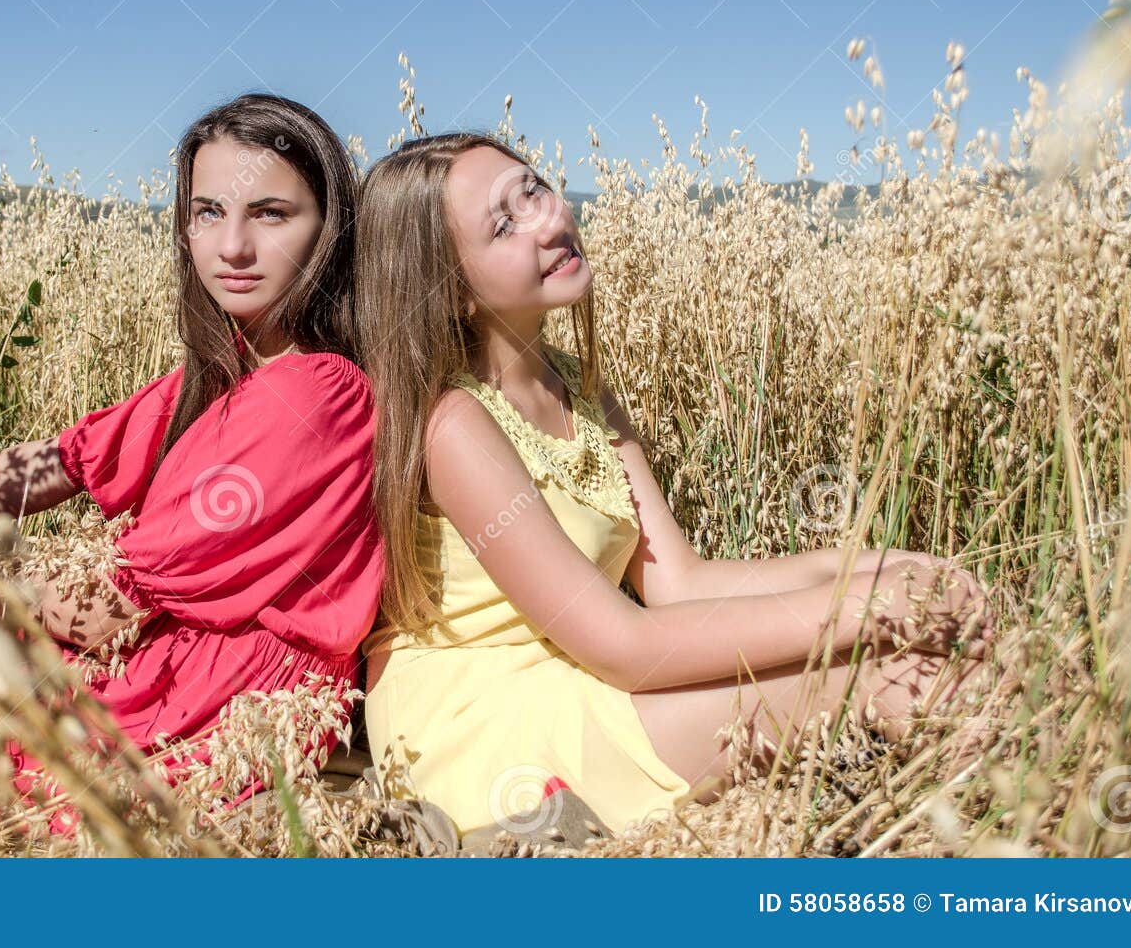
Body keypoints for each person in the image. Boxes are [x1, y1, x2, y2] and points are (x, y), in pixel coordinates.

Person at [353, 132, 995, 835]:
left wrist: (880, 570)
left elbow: (682, 581)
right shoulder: (456, 425)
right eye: (503, 225)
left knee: (923, 648)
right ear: (452, 292)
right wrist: (864, 612)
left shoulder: (580, 390)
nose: (546, 221)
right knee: (885, 674)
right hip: (484, 724)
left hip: (578, 675)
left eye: (532, 190)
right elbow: (625, 647)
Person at [0, 94, 383, 835]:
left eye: (270, 214)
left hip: (222, 702)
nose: (231, 247)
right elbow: (70, 458)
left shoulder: (319, 394)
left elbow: (110, 606)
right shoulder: (226, 373)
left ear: (328, 230)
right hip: (169, 663)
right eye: (208, 213)